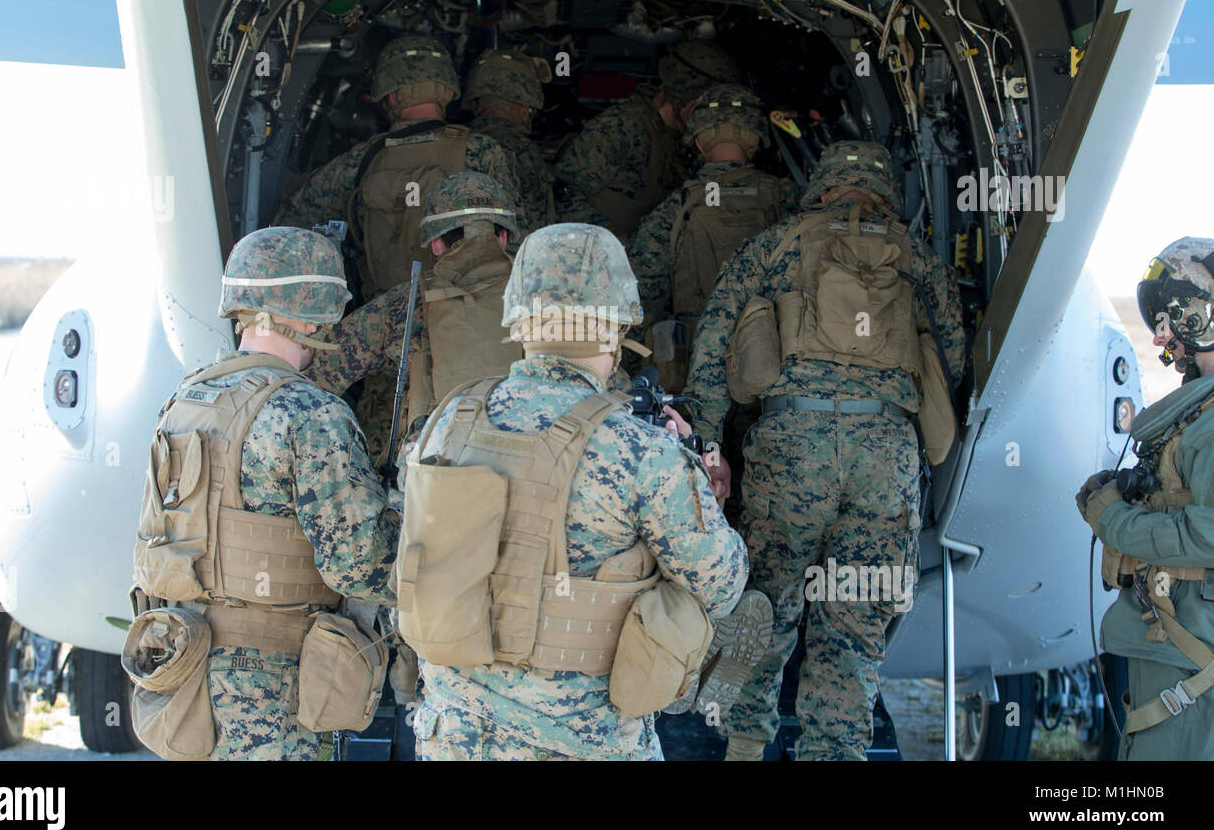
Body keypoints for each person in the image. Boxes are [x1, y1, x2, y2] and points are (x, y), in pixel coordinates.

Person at [401, 223, 749, 760]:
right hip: (583, 743)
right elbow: (722, 587)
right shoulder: (643, 449)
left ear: (519, 319)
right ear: (617, 329)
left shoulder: (450, 418)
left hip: (455, 737)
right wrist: (694, 481)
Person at [686, 141, 966, 760]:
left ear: (823, 185)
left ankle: (744, 744)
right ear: (883, 191)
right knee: (853, 627)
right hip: (885, 453)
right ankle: (834, 752)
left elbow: (713, 340)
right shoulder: (914, 255)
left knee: (766, 605)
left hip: (790, 450)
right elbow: (954, 354)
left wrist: (707, 442)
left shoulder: (777, 243)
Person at [131, 227, 398, 760]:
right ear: (313, 314)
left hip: (183, 667)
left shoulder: (185, 400)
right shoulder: (310, 412)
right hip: (272, 689)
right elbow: (360, 566)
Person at [1078, 237, 1214, 760]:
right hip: (1172, 644)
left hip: (1191, 655)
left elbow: (1204, 535)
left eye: (1170, 315)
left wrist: (1113, 518)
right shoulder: (1195, 413)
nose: (1161, 335)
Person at [274, 34, 521, 299]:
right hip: (462, 320)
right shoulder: (483, 152)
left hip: (385, 320)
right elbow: (516, 242)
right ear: (448, 89)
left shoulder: (360, 160)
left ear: (391, 96)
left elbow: (289, 228)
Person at [312, 171, 524, 435]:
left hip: (433, 467)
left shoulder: (405, 304)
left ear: (435, 243)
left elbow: (319, 373)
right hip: (531, 464)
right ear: (503, 236)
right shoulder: (545, 300)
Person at [628, 83, 797, 389]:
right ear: (756, 141)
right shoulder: (786, 198)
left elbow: (644, 294)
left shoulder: (676, 206)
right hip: (771, 355)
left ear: (698, 143)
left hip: (694, 360)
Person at [553, 39, 741, 242]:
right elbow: (566, 192)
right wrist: (612, 244)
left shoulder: (684, 143)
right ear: (689, 102)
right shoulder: (621, 126)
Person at [464, 48, 556, 237]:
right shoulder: (523, 152)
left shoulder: (458, 144)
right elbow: (538, 228)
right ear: (526, 108)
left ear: (474, 104)